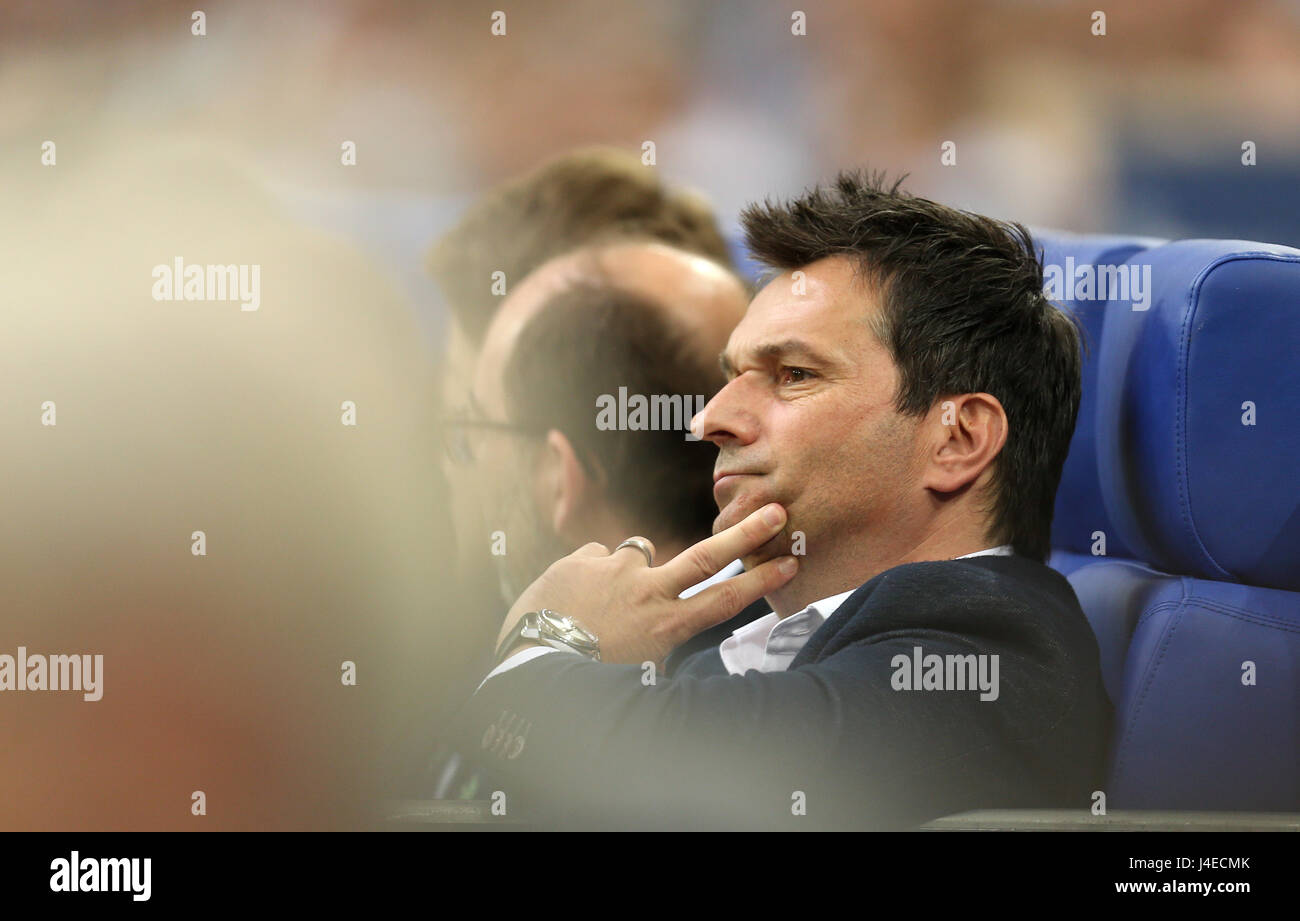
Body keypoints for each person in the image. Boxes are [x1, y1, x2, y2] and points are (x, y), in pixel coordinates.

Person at [451, 170, 1112, 830]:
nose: (711, 418)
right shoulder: (760, 638)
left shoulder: (986, 658)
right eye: (732, 376)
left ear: (958, 438)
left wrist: (546, 641)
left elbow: (683, 772)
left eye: (793, 374)